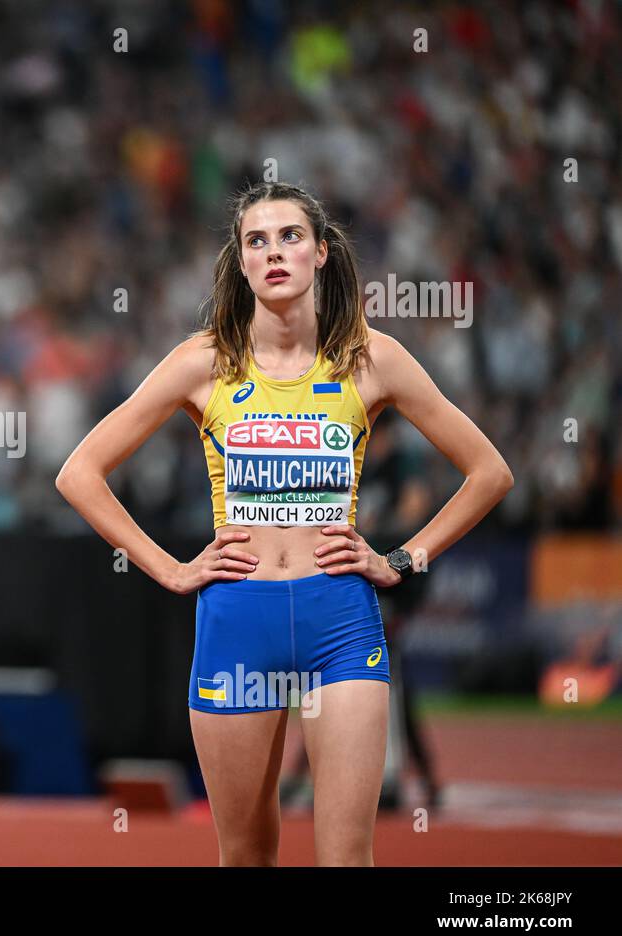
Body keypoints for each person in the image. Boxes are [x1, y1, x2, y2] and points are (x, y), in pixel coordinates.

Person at [54, 181, 513, 865]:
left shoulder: (371, 358)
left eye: (290, 236)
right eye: (257, 241)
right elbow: (79, 473)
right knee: (247, 856)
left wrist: (401, 559)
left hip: (341, 622)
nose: (274, 252)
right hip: (239, 620)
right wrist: (171, 570)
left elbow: (490, 472)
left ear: (321, 252)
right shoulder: (204, 361)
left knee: (346, 859)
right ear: (240, 261)